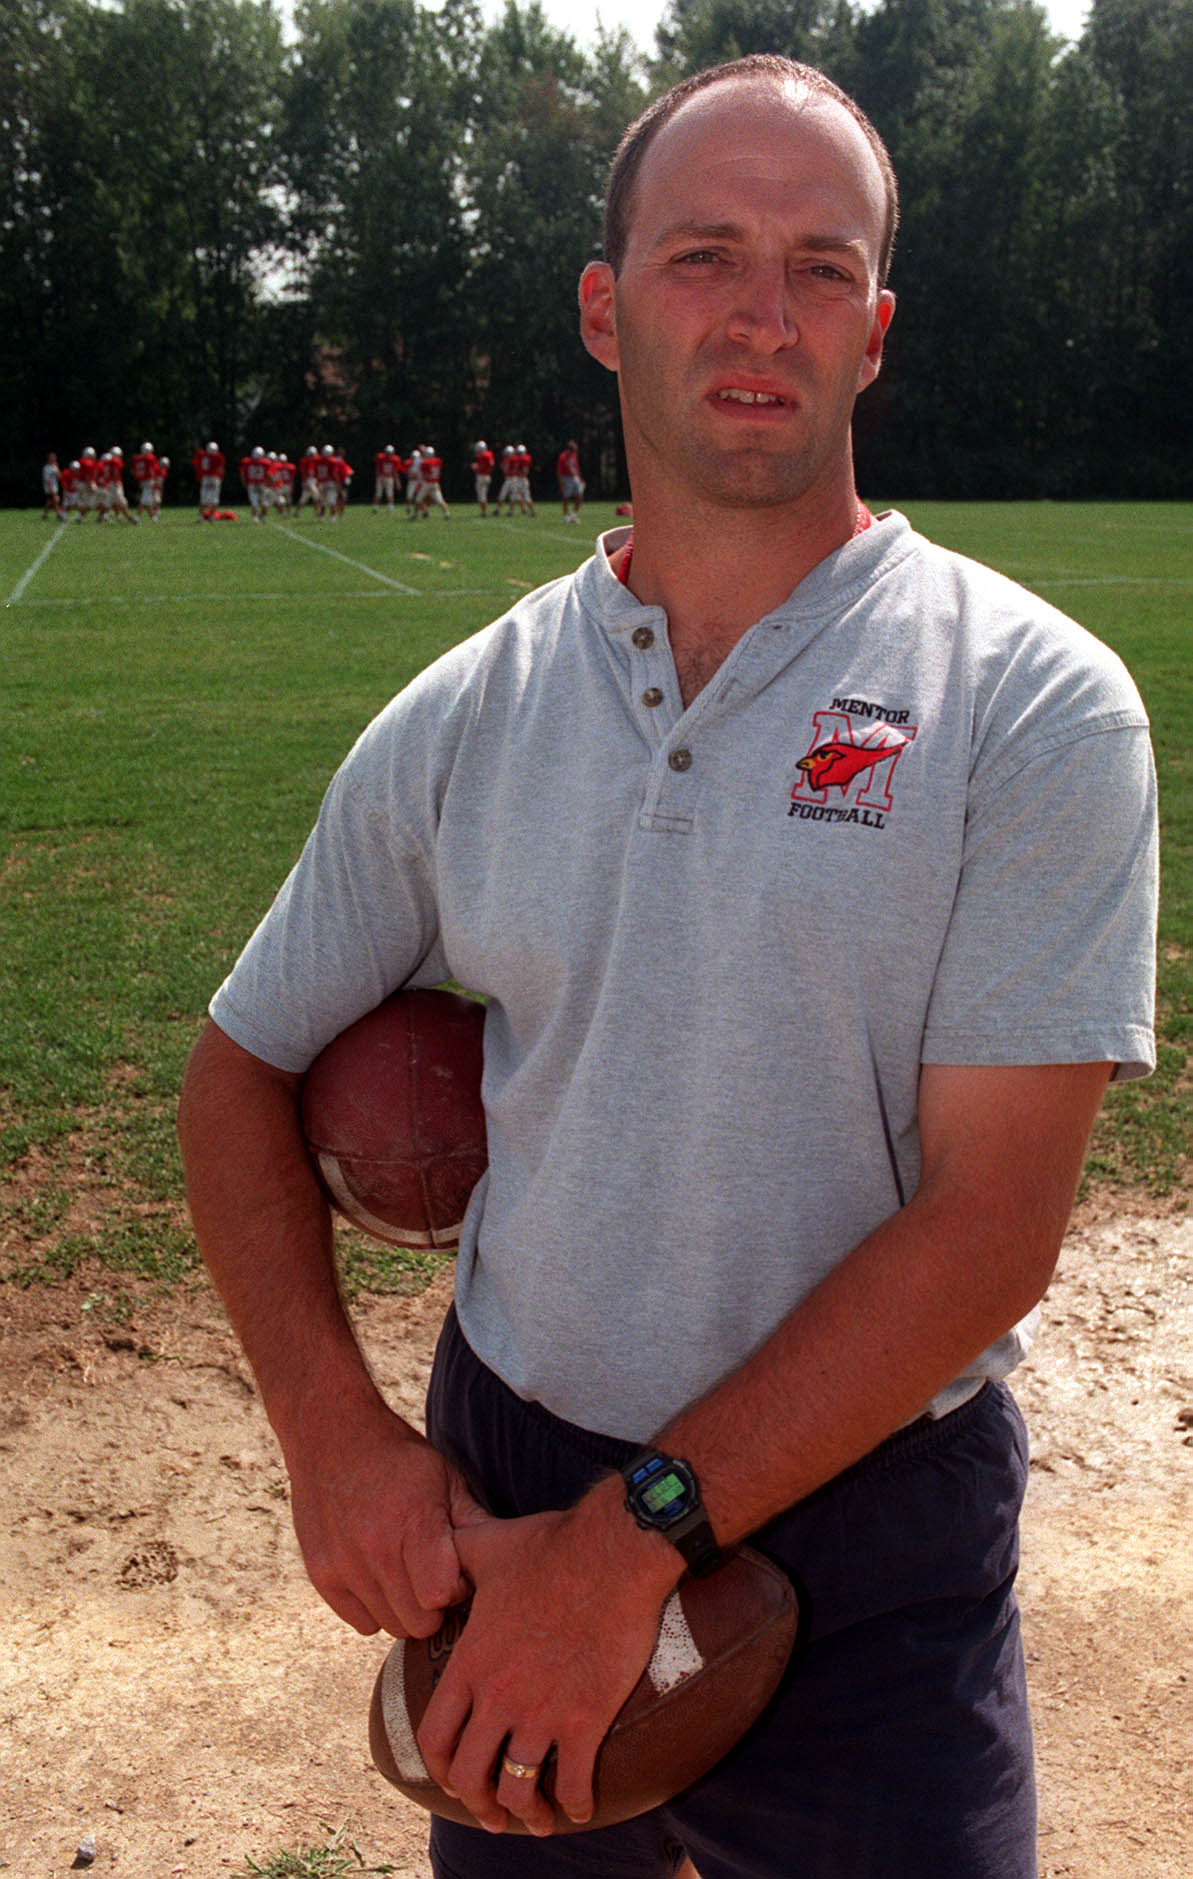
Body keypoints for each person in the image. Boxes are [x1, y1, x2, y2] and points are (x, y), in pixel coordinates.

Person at [178, 55, 1158, 1879]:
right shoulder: (466, 713)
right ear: (602, 305)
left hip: (863, 1530)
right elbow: (238, 1068)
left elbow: (987, 1229)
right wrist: (333, 1432)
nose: (761, 316)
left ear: (875, 327)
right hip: (510, 1476)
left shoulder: (1025, 702)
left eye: (819, 265)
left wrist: (626, 1546)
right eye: (704, 254)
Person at [192, 440, 225, 521]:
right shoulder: (218, 456)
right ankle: (212, 516)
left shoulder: (201, 455)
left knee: (203, 498)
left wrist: (200, 473)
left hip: (205, 478)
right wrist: (221, 477)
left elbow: (195, 465)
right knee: (214, 498)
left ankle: (200, 517)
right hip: (215, 478)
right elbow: (221, 468)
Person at [556, 439, 584, 522]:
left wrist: (580, 477)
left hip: (575, 477)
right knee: (566, 497)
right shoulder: (563, 457)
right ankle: (566, 516)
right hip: (566, 478)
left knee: (580, 496)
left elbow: (576, 467)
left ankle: (573, 515)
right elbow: (559, 472)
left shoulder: (574, 455)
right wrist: (561, 484)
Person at [471, 440, 495, 515]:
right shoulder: (488, 454)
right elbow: (491, 464)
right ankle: (483, 511)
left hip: (482, 477)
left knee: (482, 495)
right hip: (486, 476)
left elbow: (487, 465)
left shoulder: (484, 455)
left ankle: (484, 512)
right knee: (482, 495)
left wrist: (476, 467)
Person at [42, 452, 61, 518]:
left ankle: (45, 514)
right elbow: (47, 480)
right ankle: (58, 514)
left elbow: (59, 477)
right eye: (52, 457)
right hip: (49, 487)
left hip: (55, 486)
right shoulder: (46, 468)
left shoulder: (55, 467)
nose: (54, 459)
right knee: (55, 500)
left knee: (51, 502)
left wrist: (57, 468)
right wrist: (51, 489)